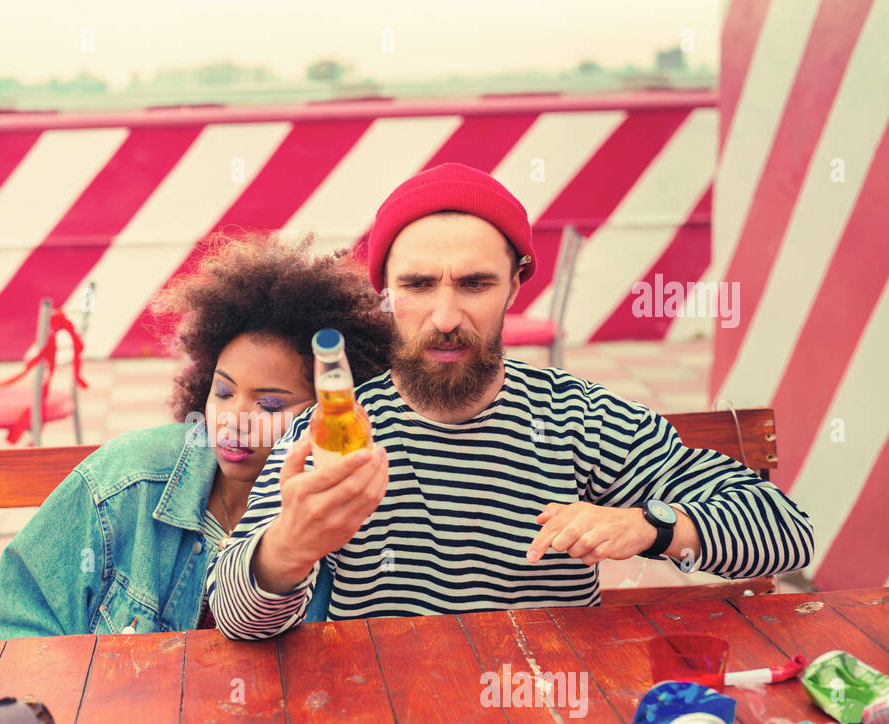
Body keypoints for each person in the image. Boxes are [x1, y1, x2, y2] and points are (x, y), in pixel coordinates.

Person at [206, 162, 815, 640]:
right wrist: (287, 548)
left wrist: (651, 526)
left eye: (475, 283)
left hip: (550, 718)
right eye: (418, 285)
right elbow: (234, 618)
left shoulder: (582, 419)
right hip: (384, 723)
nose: (445, 317)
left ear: (516, 284)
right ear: (385, 289)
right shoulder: (331, 435)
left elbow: (787, 531)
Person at [0, 233, 392, 639]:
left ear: (330, 415)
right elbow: (15, 624)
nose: (233, 419)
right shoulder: (127, 479)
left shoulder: (350, 517)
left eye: (268, 406)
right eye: (223, 392)